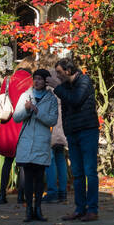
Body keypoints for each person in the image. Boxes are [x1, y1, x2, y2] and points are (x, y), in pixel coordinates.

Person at [53, 57, 99, 221]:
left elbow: (76, 100)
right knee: (78, 173)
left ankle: (92, 210)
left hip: (88, 131)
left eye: (59, 73)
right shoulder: (65, 86)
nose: (58, 76)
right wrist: (66, 130)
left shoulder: (84, 81)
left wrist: (56, 87)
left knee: (90, 171)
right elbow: (66, 109)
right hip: (73, 133)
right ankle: (80, 209)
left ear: (68, 70)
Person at [13, 68, 59, 222]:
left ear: (46, 81)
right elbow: (16, 117)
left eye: (40, 79)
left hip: (41, 142)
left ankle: (38, 209)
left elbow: (52, 120)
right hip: (26, 141)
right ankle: (28, 210)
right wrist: (26, 110)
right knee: (27, 178)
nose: (37, 81)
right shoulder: (25, 96)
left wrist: (38, 112)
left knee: (39, 178)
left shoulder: (52, 99)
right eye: (35, 78)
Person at [0, 60, 34, 205]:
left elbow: (1, 100)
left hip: (8, 124)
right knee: (24, 163)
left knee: (7, 161)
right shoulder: (31, 82)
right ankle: (21, 196)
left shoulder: (7, 80)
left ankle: (1, 195)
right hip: (24, 124)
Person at [44, 66, 68, 204]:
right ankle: (62, 192)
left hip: (51, 125)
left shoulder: (48, 81)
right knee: (60, 158)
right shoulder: (64, 80)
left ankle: (52, 191)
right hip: (62, 125)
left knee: (50, 159)